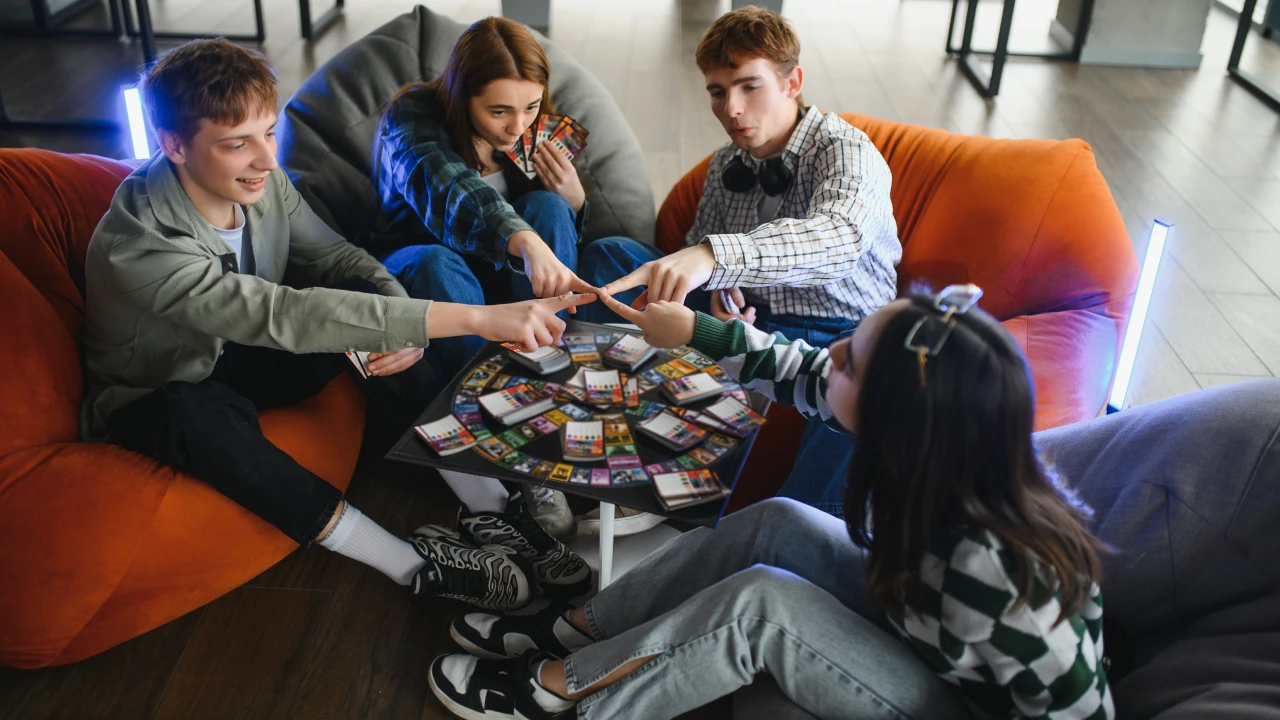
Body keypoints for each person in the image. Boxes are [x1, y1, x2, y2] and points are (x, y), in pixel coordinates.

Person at [426, 285, 1118, 719]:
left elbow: (1079, 705)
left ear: (894, 417)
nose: (834, 351)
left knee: (764, 605)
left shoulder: (991, 567)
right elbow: (802, 369)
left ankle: (564, 694)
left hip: (959, 702)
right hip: (924, 632)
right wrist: (696, 331)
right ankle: (578, 626)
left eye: (852, 360)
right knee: (779, 521)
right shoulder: (932, 457)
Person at [82, 39, 594, 613]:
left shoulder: (261, 181)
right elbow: (284, 314)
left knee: (369, 306)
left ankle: (495, 510)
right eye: (236, 145)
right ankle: (410, 566)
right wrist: (476, 318)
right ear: (172, 144)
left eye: (269, 133)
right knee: (195, 417)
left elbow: (336, 258)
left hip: (244, 357)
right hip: (162, 390)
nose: (267, 160)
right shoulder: (139, 248)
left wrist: (395, 313)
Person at [577, 6, 902, 515]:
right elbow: (695, 248)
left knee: (813, 499)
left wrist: (711, 257)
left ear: (792, 81)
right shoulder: (728, 162)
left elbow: (839, 238)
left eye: (750, 86)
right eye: (717, 91)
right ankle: (590, 424)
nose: (732, 108)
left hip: (839, 329)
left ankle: (795, 531)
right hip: (750, 311)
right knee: (607, 257)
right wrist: (723, 302)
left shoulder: (847, 152)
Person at [374, 16, 597, 385]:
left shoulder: (535, 130)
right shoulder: (411, 114)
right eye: (499, 111)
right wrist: (525, 241)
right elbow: (452, 190)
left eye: (531, 106)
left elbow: (557, 224)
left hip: (506, 279)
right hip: (424, 268)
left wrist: (575, 203)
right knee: (437, 261)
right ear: (463, 98)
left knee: (550, 206)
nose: (518, 126)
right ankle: (484, 387)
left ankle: (548, 356)